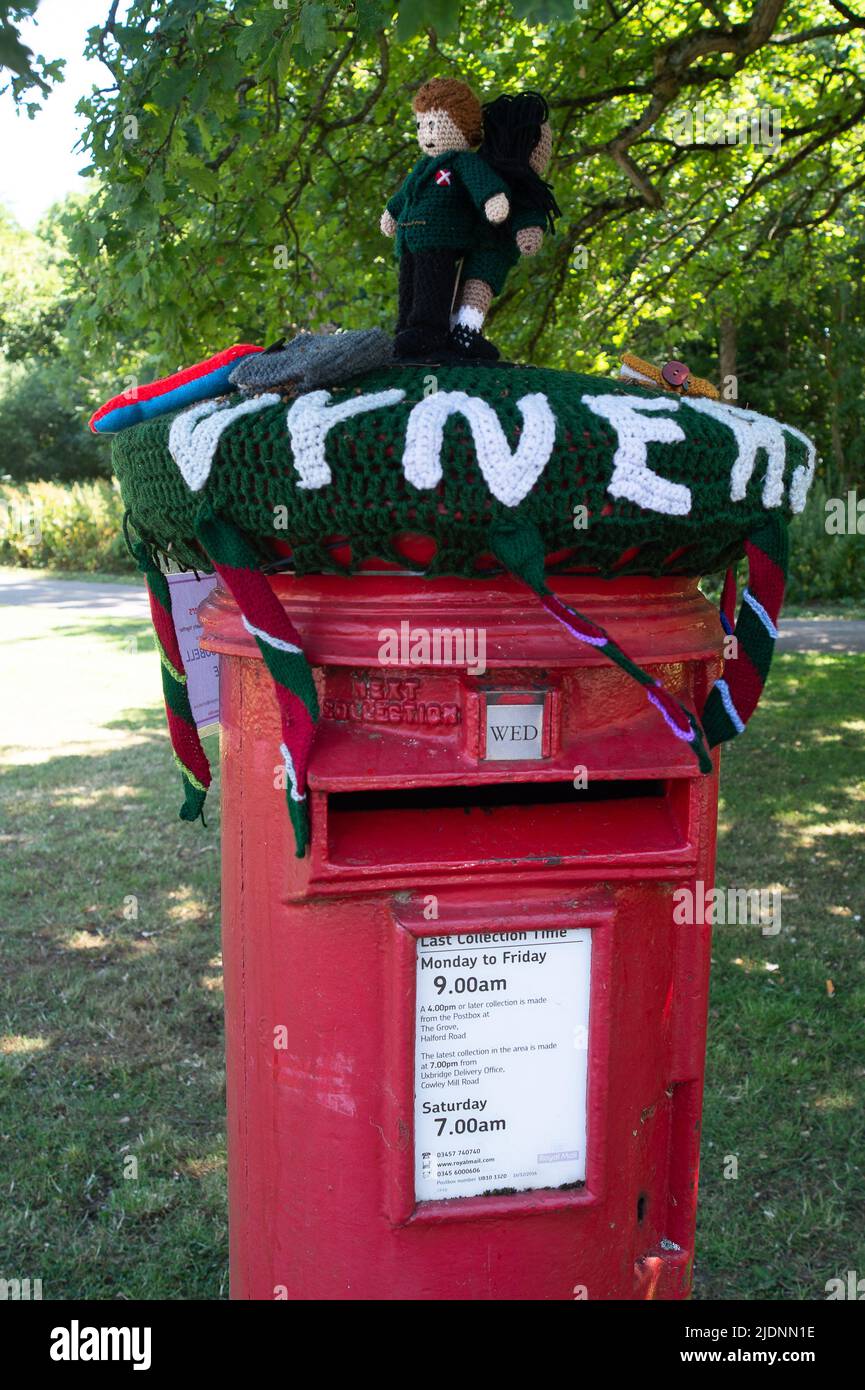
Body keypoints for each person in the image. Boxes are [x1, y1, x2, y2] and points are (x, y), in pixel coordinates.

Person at [381, 78, 511, 361]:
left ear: (461, 124)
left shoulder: (462, 162)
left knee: (433, 284)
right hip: (410, 240)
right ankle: (406, 329)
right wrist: (392, 213)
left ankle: (429, 331)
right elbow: (405, 194)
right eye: (420, 125)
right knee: (409, 285)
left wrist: (493, 200)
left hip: (441, 239)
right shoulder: (423, 165)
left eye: (432, 124)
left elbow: (482, 184)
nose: (425, 133)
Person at [449, 92, 561, 360]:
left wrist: (529, 231)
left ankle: (464, 332)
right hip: (459, 242)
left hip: (492, 250)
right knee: (450, 283)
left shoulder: (523, 190)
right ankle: (442, 329)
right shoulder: (475, 169)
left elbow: (528, 215)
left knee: (478, 286)